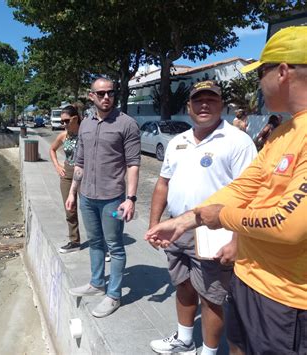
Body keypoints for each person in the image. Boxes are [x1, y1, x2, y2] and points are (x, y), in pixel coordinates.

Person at [145, 26, 307, 354]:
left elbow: (289, 226)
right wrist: (184, 221)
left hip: (286, 298)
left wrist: (222, 218)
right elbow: (243, 187)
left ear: (284, 71)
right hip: (251, 279)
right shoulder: (283, 132)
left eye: (261, 73)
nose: (258, 83)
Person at [148, 80, 257, 355]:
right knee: (182, 283)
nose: (204, 104)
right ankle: (185, 340)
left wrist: (237, 241)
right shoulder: (177, 142)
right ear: (189, 106)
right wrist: (154, 223)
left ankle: (208, 351)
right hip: (176, 227)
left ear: (222, 105)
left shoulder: (238, 141)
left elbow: (251, 196)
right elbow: (163, 183)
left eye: (211, 100)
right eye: (198, 100)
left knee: (212, 296)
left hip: (215, 231)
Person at [65, 77, 141, 318]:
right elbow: (80, 162)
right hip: (87, 196)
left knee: (115, 246)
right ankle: (97, 283)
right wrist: (72, 193)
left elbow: (133, 164)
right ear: (92, 96)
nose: (106, 97)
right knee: (95, 242)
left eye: (110, 92)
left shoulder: (127, 124)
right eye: (101, 93)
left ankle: (114, 295)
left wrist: (130, 198)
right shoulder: (86, 124)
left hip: (113, 199)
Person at [49, 105, 82, 253]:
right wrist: (57, 166)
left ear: (75, 118)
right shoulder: (64, 135)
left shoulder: (86, 133)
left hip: (85, 174)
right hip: (68, 173)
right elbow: (52, 149)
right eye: (62, 122)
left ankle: (101, 246)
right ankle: (74, 241)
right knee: (70, 209)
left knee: (90, 210)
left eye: (66, 121)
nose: (63, 124)